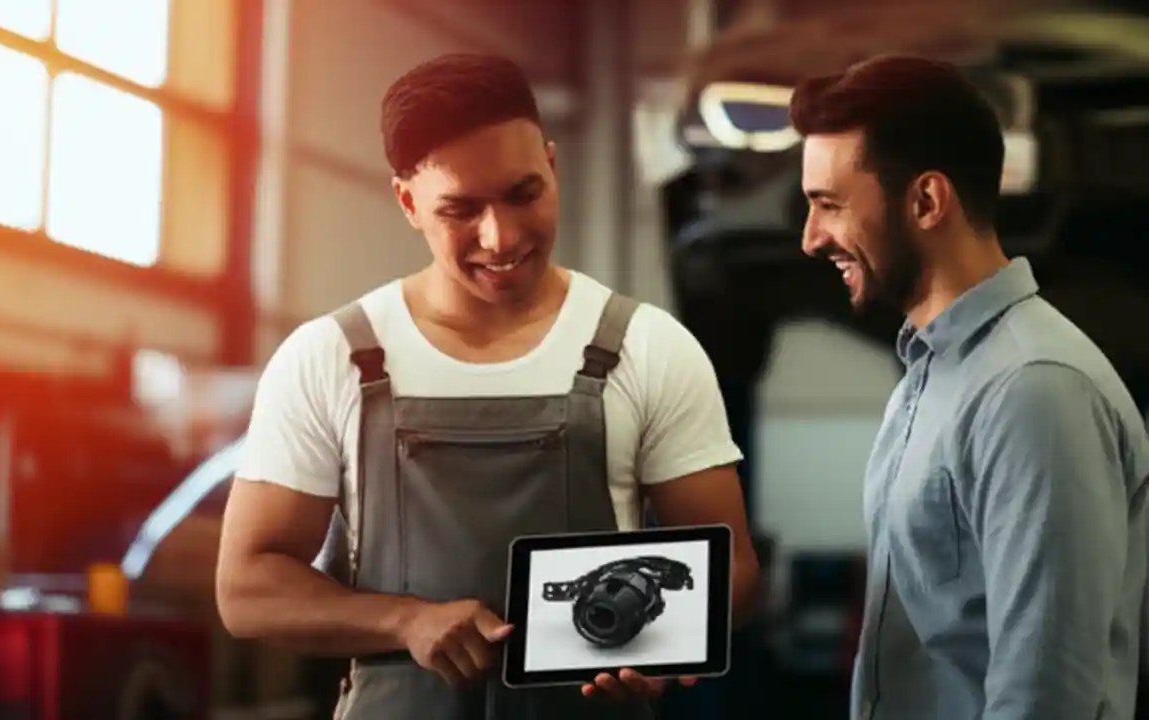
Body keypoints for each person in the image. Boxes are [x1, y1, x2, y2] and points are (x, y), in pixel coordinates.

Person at [215, 53, 761, 720]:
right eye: (460, 210)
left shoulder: (648, 348)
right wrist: (403, 622)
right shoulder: (332, 357)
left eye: (523, 194)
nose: (500, 237)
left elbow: (729, 567)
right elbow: (247, 588)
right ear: (408, 203)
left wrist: (656, 646)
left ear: (553, 167)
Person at [792, 54, 1149, 720]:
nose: (812, 238)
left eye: (830, 205)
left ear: (927, 200)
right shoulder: (928, 378)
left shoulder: (1035, 391)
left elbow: (1045, 696)